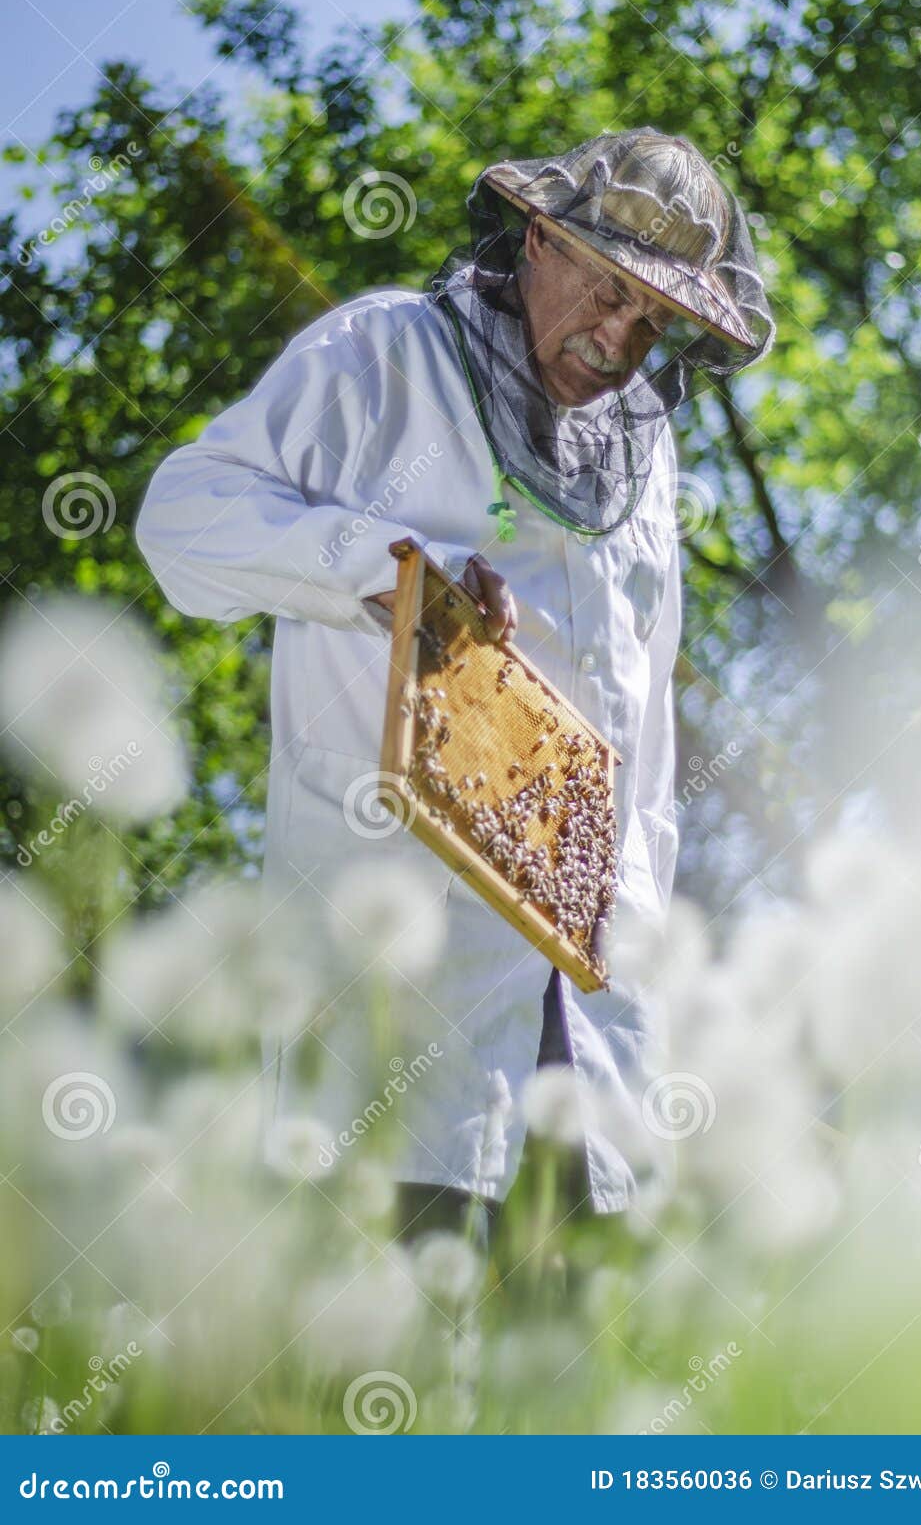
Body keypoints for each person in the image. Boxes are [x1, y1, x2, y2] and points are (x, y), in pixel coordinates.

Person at [135, 127, 773, 1248]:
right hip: (398, 1007)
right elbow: (179, 523)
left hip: (596, 1036)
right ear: (539, 236)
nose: (621, 338)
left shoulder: (649, 461)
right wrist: (381, 573)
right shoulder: (384, 354)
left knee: (575, 1388)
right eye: (609, 291)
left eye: (656, 318)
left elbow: (650, 762)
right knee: (390, 1376)